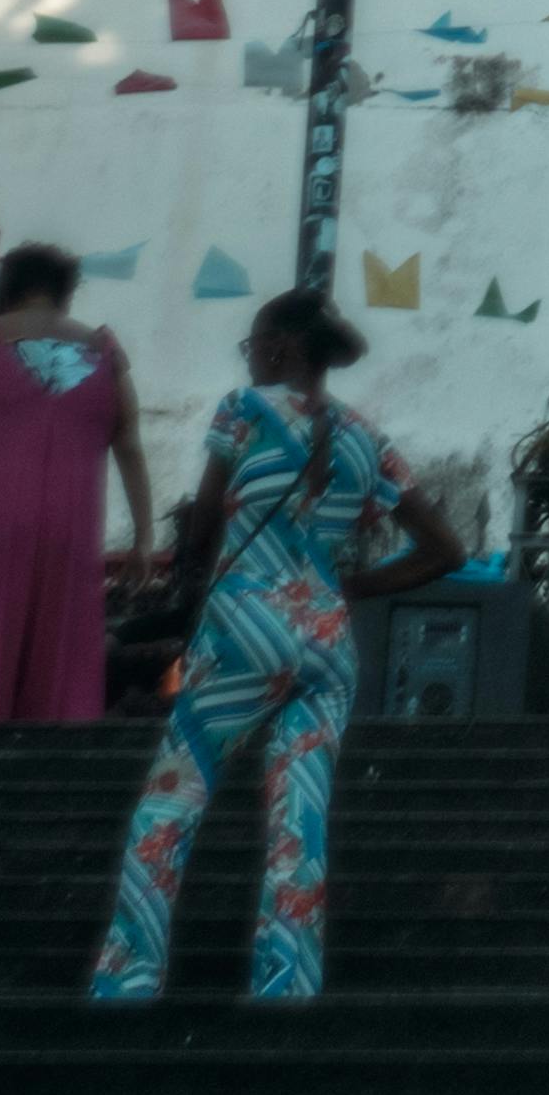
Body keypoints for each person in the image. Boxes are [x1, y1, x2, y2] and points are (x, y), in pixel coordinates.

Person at [88, 288, 461, 1007]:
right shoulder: (366, 437)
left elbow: (200, 524)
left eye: (254, 343)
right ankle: (287, 982)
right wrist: (349, 586)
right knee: (301, 815)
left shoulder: (244, 409)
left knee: (172, 799)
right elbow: (445, 548)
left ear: (282, 348)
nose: (250, 356)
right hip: (326, 644)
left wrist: (193, 571)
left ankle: (131, 973)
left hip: (242, 629)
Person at [0, 238, 153, 728]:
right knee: (56, 650)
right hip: (71, 527)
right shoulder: (104, 349)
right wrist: (142, 537)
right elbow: (130, 445)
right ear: (65, 292)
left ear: (5, 287)